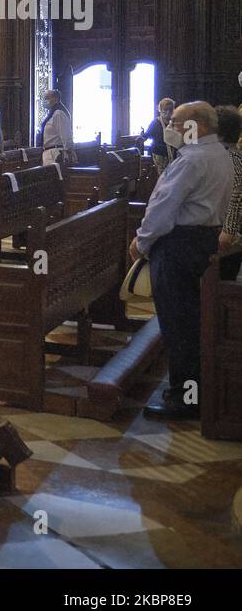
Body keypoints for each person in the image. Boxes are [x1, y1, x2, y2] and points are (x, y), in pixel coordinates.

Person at [131, 101, 233, 420]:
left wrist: (141, 241)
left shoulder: (192, 160)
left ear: (198, 125)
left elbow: (163, 208)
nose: (171, 128)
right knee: (191, 321)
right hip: (204, 240)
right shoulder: (220, 154)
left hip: (179, 246)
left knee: (179, 326)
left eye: (176, 122)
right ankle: (192, 392)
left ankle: (185, 400)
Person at [217, 105, 242, 282]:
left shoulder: (231, 157)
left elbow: (237, 193)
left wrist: (229, 229)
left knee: (224, 279)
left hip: (229, 231)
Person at [38, 89, 74, 166]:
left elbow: (66, 136)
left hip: (55, 153)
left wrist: (68, 154)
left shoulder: (58, 113)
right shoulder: (50, 114)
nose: (44, 101)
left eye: (47, 98)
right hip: (48, 153)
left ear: (55, 99)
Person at [143, 97, 177, 176]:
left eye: (170, 109)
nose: (168, 112)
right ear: (160, 110)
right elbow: (146, 136)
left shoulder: (175, 123)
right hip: (159, 155)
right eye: (165, 109)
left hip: (173, 154)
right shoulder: (155, 123)